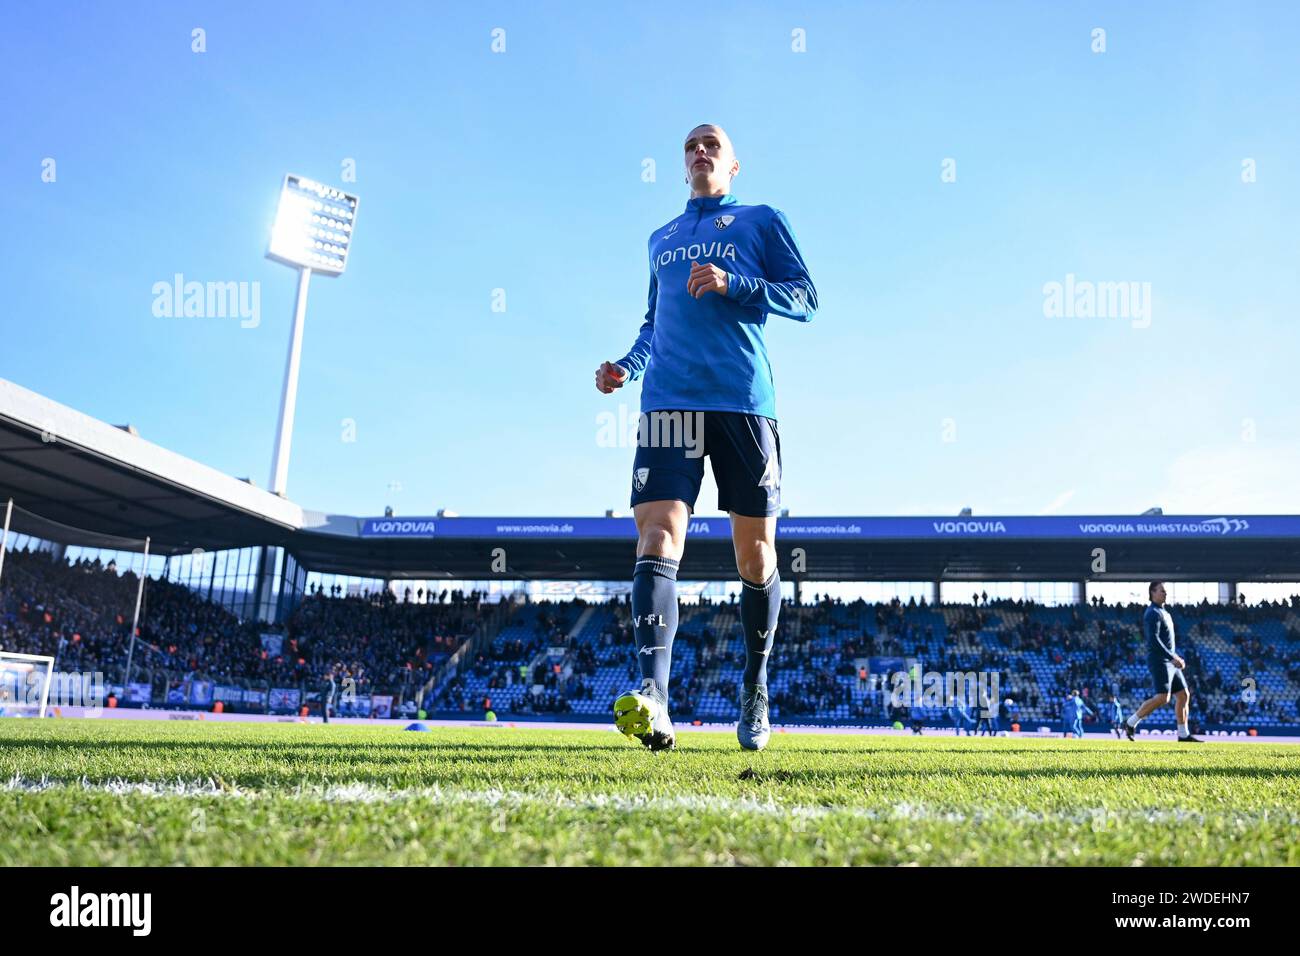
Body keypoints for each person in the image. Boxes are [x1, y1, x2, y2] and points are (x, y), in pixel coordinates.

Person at [596, 123, 817, 752]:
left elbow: (806, 297)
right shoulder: (660, 239)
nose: (699, 152)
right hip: (667, 400)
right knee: (657, 535)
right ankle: (654, 695)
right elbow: (653, 323)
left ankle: (755, 686)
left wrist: (734, 283)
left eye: (711, 144)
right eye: (690, 145)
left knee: (755, 559)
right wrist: (626, 366)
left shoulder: (760, 220)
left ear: (734, 163)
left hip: (744, 403)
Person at [1125, 582, 1202, 741]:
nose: (1165, 594)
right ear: (1152, 592)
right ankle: (1131, 722)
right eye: (1162, 591)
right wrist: (1172, 657)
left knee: (1183, 695)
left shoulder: (1164, 612)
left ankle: (1183, 734)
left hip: (1170, 661)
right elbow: (1153, 640)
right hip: (1159, 661)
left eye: (1165, 591)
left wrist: (1173, 657)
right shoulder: (1152, 613)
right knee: (1163, 698)